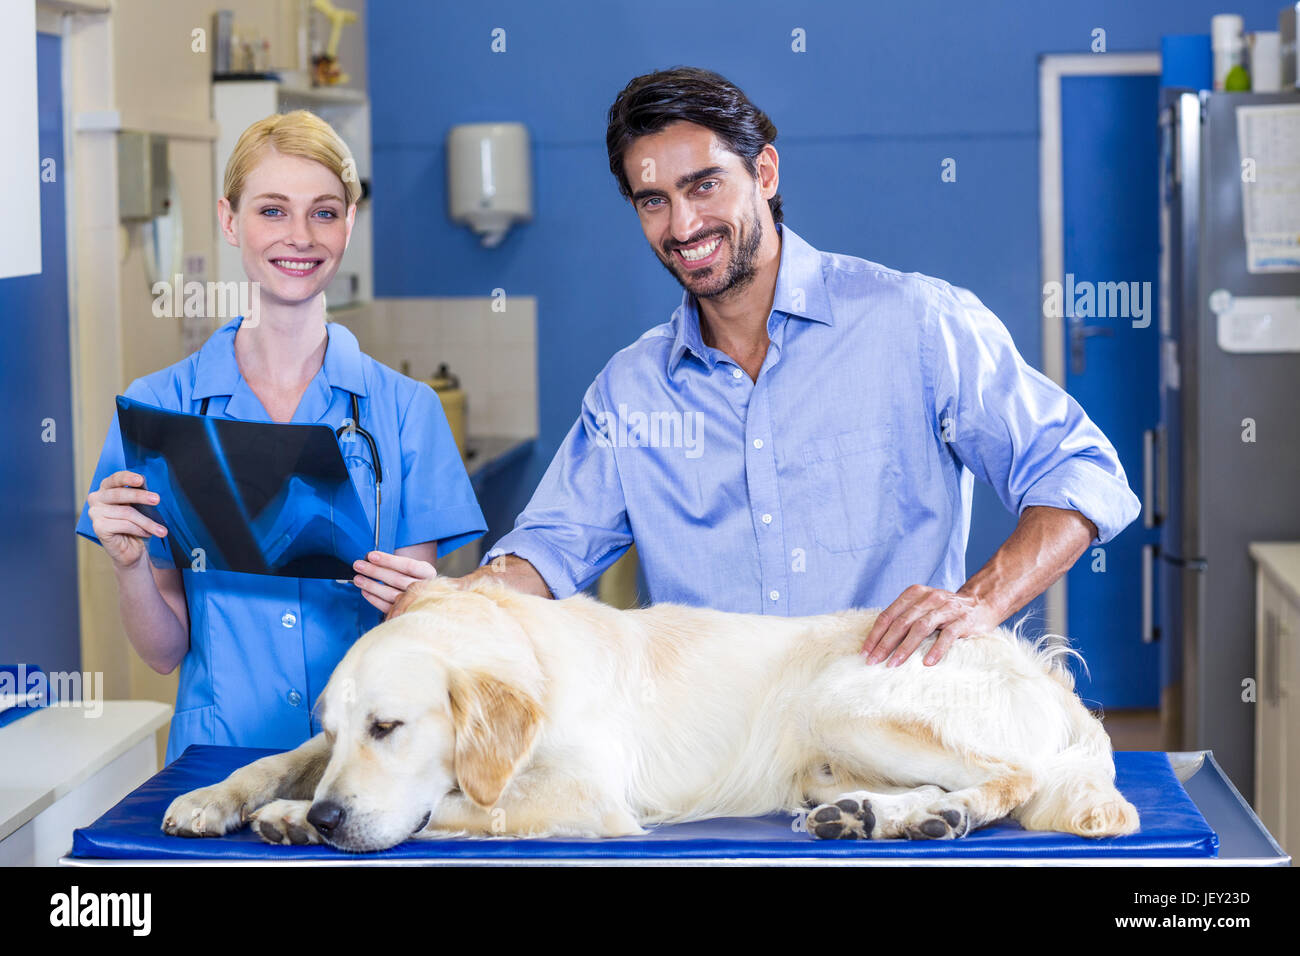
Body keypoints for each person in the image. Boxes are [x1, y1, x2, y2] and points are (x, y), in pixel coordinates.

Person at [393, 67, 1140, 670]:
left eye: (704, 185)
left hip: (895, 725)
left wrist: (979, 603)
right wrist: (455, 604)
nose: (682, 227)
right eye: (653, 200)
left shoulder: (915, 323)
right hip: (724, 756)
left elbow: (1079, 470)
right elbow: (552, 549)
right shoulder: (631, 390)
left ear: (766, 173)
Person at [78, 110, 485, 764]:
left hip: (361, 764)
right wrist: (128, 566)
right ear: (230, 219)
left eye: (324, 212)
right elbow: (161, 654)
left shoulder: (407, 411)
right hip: (216, 759)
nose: (300, 236)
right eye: (272, 211)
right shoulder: (163, 407)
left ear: (349, 223)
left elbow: (416, 641)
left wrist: (412, 604)